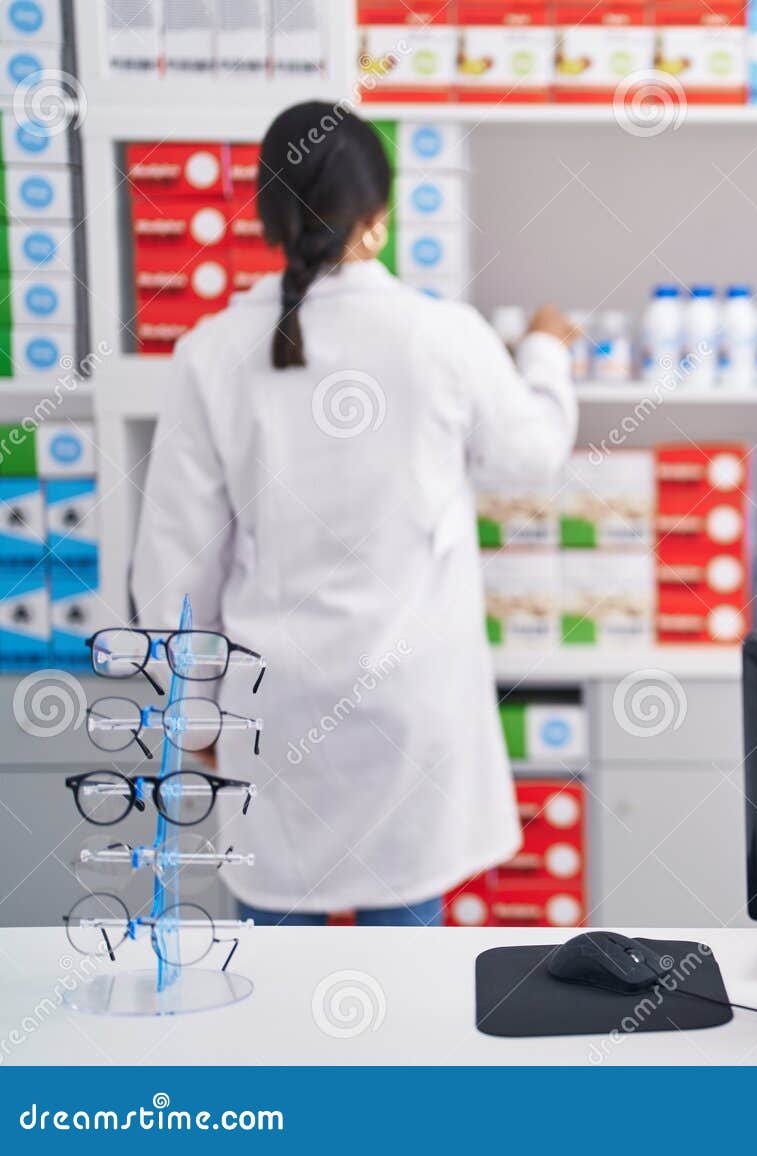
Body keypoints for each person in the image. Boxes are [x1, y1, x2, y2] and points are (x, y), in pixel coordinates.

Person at [130, 102, 580, 927]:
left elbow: (177, 568)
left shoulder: (211, 352)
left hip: (272, 718)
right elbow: (532, 457)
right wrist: (546, 351)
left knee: (272, 982)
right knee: (404, 980)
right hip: (411, 716)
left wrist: (192, 718)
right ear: (380, 215)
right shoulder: (443, 336)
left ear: (266, 217)